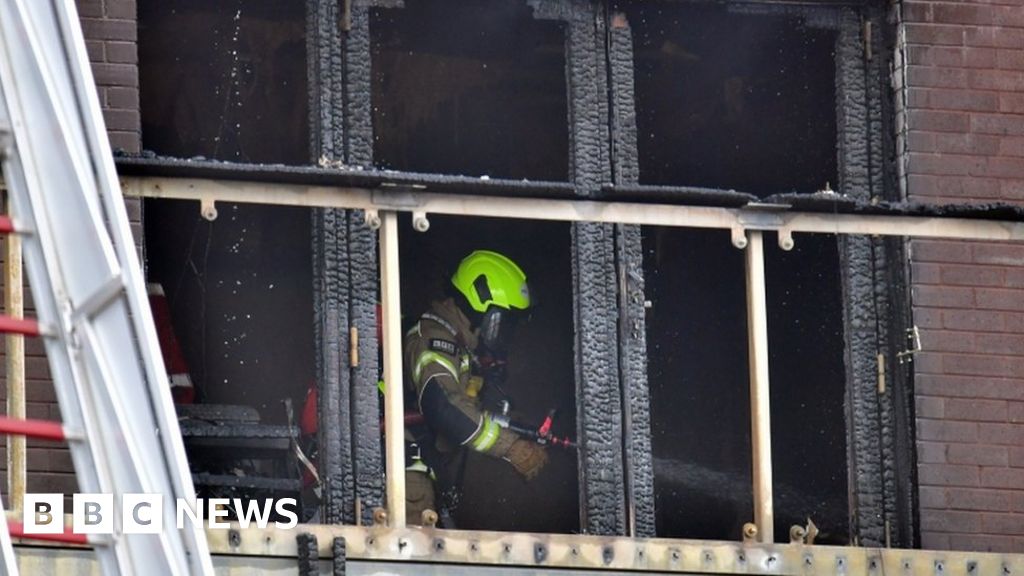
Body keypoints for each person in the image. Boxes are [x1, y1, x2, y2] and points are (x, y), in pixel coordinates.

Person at [403, 250, 549, 524]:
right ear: (483, 309)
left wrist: (518, 432)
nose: (506, 333)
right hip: (405, 479)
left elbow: (469, 409)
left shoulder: (458, 345)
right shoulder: (433, 339)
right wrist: (511, 447)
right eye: (504, 321)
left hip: (423, 473)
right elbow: (445, 407)